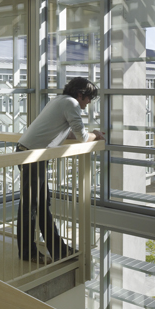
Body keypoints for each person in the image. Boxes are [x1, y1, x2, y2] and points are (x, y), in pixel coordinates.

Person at [15, 77, 104, 263]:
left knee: (40, 205)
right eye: (88, 98)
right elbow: (81, 137)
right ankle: (29, 253)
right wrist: (96, 135)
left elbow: (68, 132)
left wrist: (88, 135)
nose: (88, 103)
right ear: (80, 94)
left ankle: (58, 250)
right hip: (32, 156)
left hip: (32, 154)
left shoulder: (60, 100)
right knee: (30, 207)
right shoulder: (71, 103)